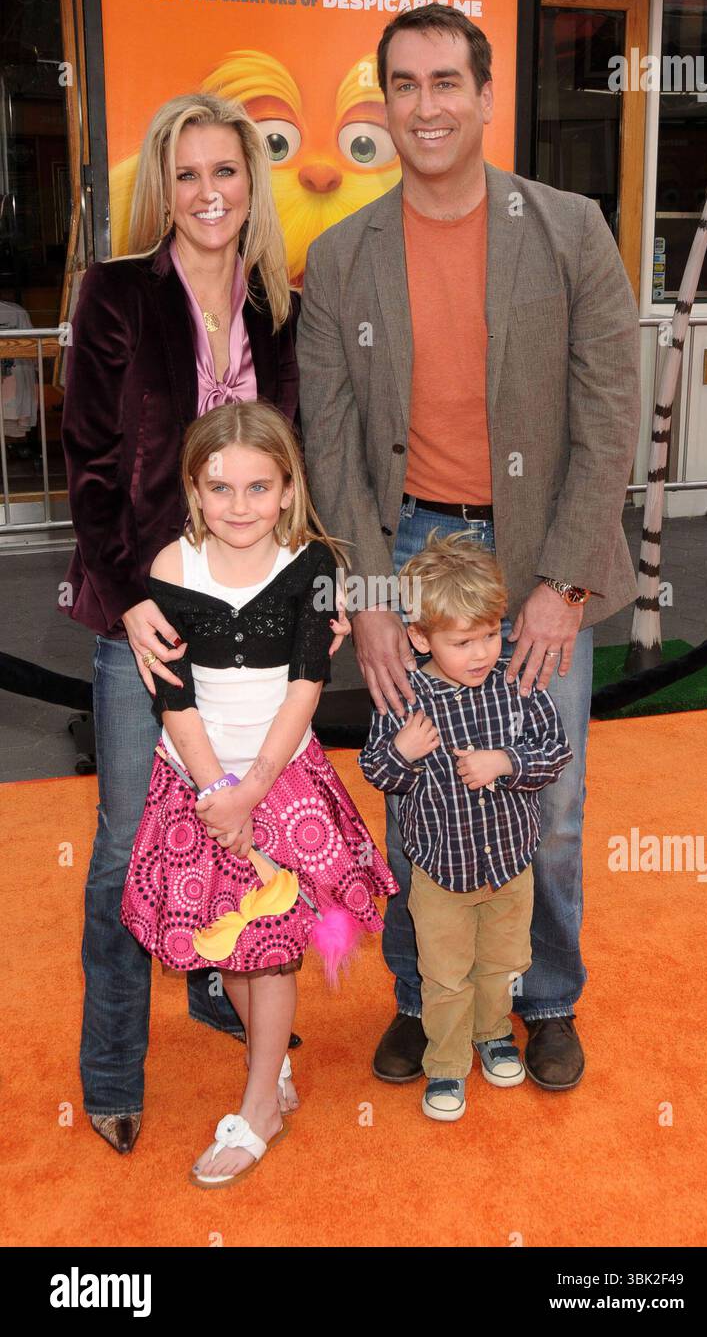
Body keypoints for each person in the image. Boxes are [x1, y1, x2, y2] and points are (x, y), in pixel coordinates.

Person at [297, 4, 641, 1090]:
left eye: (446, 82)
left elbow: (605, 412)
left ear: (487, 97)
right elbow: (332, 441)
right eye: (403, 85)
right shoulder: (339, 255)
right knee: (417, 785)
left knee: (548, 793)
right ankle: (422, 995)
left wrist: (565, 581)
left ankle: (541, 1000)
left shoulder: (570, 228)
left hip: (535, 547)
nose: (425, 105)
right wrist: (365, 596)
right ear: (384, 103)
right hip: (399, 547)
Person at [60, 93, 300, 1155]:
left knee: (237, 821)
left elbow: (293, 472)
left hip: (251, 618)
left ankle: (220, 984)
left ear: (252, 183)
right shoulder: (115, 295)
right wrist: (136, 600)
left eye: (227, 172)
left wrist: (310, 594)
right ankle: (112, 1067)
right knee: (124, 846)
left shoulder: (276, 304)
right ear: (166, 186)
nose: (209, 194)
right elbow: (94, 472)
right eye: (189, 174)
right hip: (141, 612)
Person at [119, 399, 397, 1186]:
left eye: (257, 487)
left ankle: (260, 1101)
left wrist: (253, 793)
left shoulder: (312, 568)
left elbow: (308, 687)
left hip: (281, 779)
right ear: (194, 489)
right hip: (196, 781)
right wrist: (216, 792)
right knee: (228, 941)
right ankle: (271, 1070)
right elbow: (171, 699)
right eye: (220, 488)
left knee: (270, 952)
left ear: (287, 488)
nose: (239, 506)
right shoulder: (173, 567)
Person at [359, 531, 572, 1120]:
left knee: (502, 963)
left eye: (489, 634)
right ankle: (447, 1064)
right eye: (462, 641)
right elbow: (379, 773)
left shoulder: (517, 685)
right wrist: (402, 751)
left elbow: (555, 752)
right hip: (440, 873)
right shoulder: (403, 700)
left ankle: (494, 1035)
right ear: (420, 637)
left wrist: (508, 763)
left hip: (510, 864)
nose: (481, 652)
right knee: (445, 974)